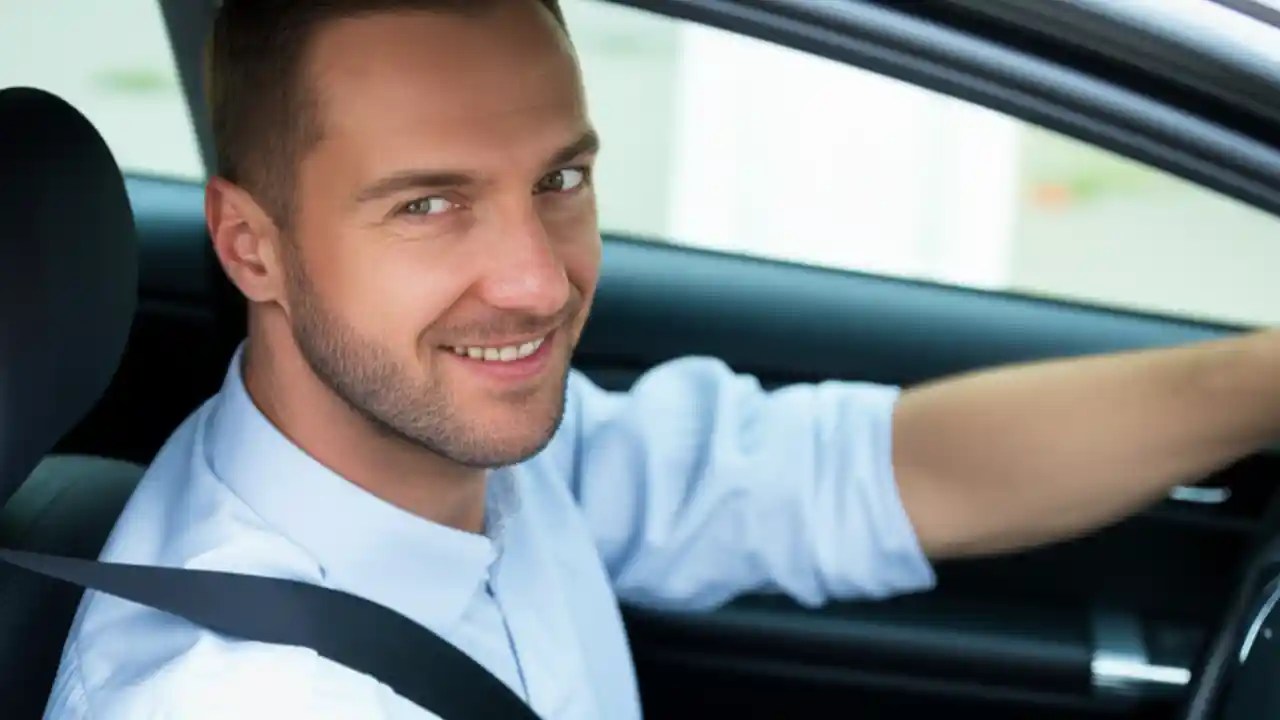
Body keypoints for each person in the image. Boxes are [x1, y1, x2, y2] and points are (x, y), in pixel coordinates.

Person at [45, 1, 1280, 718]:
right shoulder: (242, 696)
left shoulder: (485, 455)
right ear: (251, 247)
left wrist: (1259, 379)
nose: (538, 280)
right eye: (428, 205)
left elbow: (851, 476)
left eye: (560, 179)